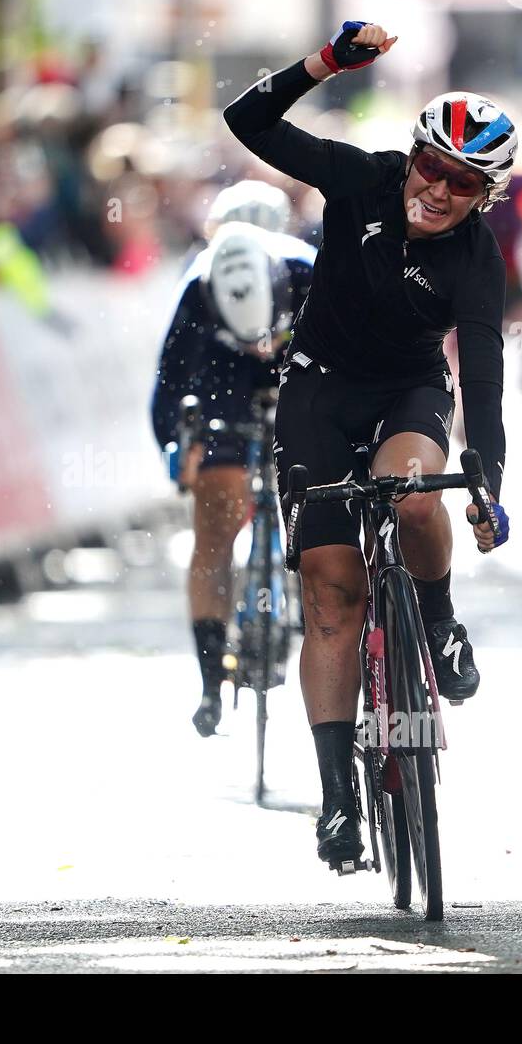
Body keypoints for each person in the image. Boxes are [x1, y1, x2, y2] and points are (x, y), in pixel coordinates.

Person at [223, 21, 511, 868]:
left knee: (419, 495)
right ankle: (339, 799)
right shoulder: (361, 179)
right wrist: (326, 63)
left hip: (409, 391)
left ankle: (441, 620)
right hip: (317, 387)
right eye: (432, 166)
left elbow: (485, 372)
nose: (438, 190)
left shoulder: (476, 258)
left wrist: (489, 480)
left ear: (483, 195)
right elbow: (247, 121)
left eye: (463, 183)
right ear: (413, 154)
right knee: (331, 591)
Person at [151, 218, 315, 736]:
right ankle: (209, 675)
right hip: (225, 373)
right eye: (253, 339)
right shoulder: (196, 295)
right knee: (216, 514)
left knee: (320, 484)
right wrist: (180, 452)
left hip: (304, 352)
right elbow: (168, 392)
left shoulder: (309, 274)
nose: (260, 348)